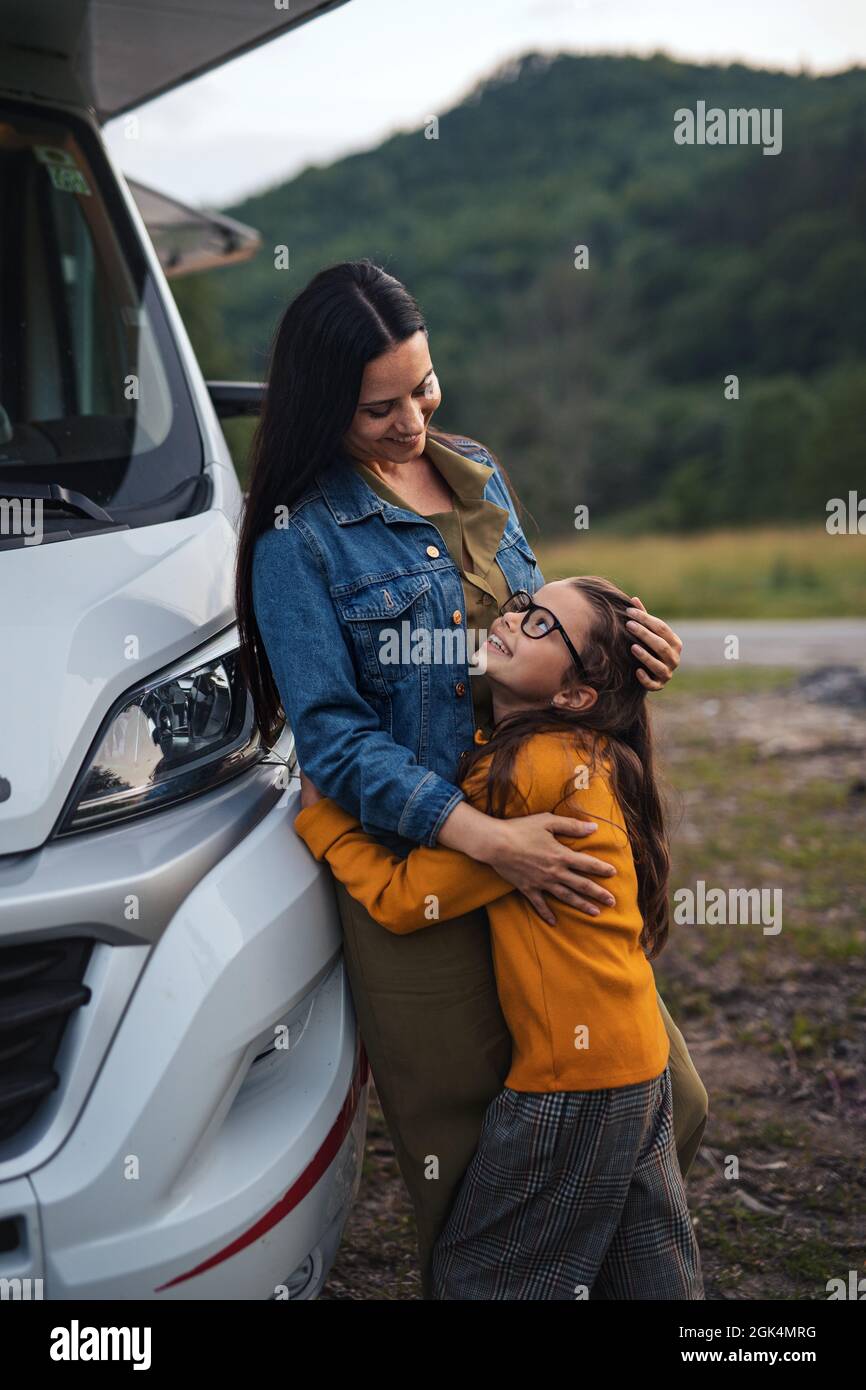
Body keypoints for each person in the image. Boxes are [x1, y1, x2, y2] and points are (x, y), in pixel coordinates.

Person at [236, 258, 708, 1297]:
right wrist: (483, 837)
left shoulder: (478, 473)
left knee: (633, 1104)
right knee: (474, 1159)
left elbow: (544, 644)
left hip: (540, 840)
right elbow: (334, 741)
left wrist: (631, 659)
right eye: (379, 407)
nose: (412, 421)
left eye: (424, 387)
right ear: (325, 404)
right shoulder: (296, 541)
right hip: (430, 873)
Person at [294, 575, 704, 1300]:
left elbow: (400, 900)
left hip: (572, 1085)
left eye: (546, 626)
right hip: (641, 1063)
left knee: (482, 1279)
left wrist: (322, 821)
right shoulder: (594, 756)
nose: (515, 618)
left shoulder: (523, 775)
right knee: (644, 1275)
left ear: (577, 694)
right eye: (524, 605)